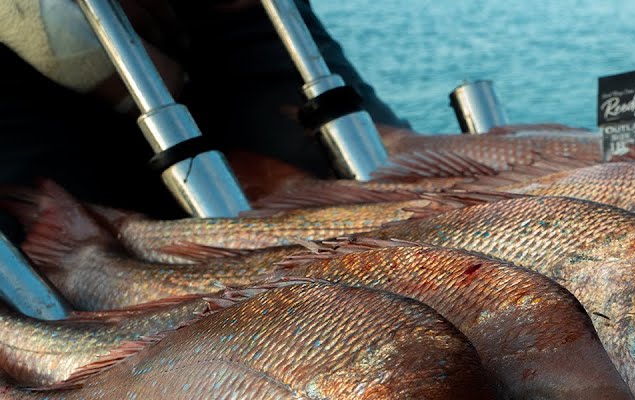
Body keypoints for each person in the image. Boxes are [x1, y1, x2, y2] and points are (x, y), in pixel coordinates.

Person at [0, 0, 410, 238]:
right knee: (61, 246)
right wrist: (54, 30)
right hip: (20, 65)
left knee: (390, 204)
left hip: (240, 12)